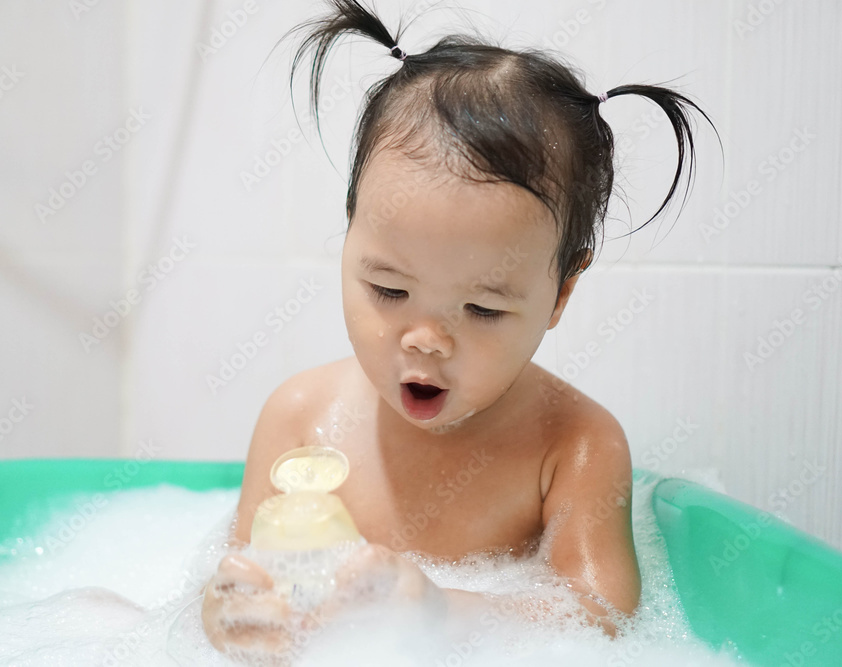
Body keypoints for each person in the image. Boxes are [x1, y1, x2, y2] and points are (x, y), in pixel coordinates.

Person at [200, 0, 717, 661]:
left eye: (483, 309)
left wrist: (443, 610)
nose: (426, 339)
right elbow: (239, 579)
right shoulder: (299, 419)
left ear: (561, 291)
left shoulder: (575, 445)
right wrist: (224, 614)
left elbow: (601, 614)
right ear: (349, 236)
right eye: (388, 290)